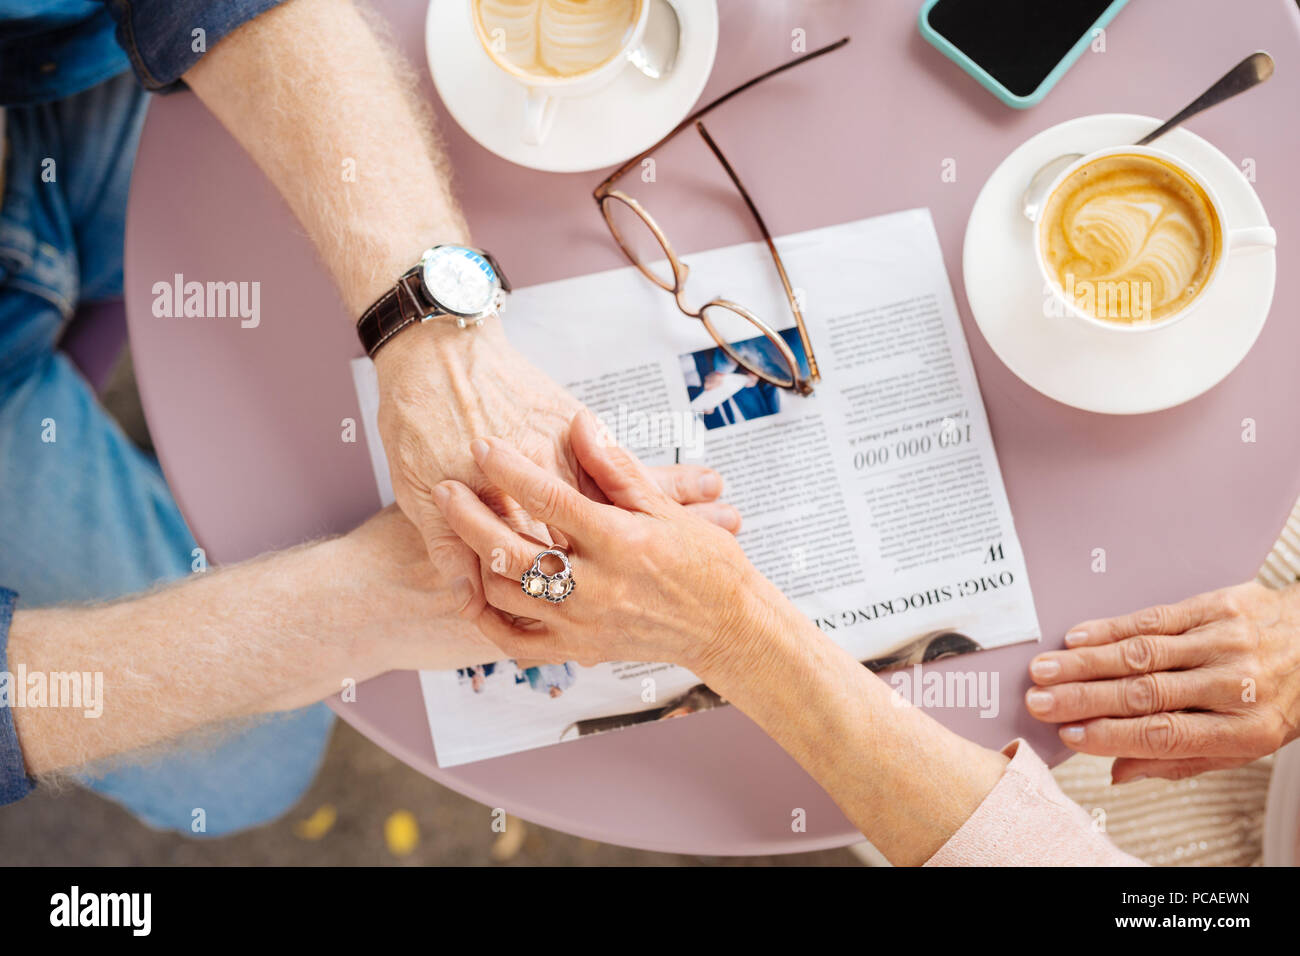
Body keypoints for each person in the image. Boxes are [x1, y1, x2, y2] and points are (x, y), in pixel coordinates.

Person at [0, 0, 739, 832]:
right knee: (249, 767)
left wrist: (434, 340)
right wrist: (364, 608)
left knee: (406, 126)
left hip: (42, 93)